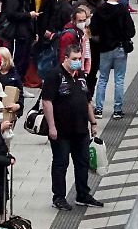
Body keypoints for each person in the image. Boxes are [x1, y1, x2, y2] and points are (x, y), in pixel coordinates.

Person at [42, 43, 104, 211]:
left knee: (82, 162)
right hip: (62, 130)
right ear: (66, 58)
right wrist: (52, 127)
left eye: (79, 58)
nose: (78, 62)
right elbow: (47, 101)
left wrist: (93, 122)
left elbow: (87, 101)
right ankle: (59, 197)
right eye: (75, 59)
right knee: (61, 164)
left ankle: (83, 194)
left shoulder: (81, 75)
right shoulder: (55, 75)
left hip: (81, 129)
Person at [91, 0, 136, 119]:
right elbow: (130, 31)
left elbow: (94, 29)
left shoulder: (99, 9)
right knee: (119, 79)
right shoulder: (122, 10)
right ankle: (117, 110)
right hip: (120, 48)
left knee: (103, 78)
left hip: (104, 48)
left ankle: (99, 109)